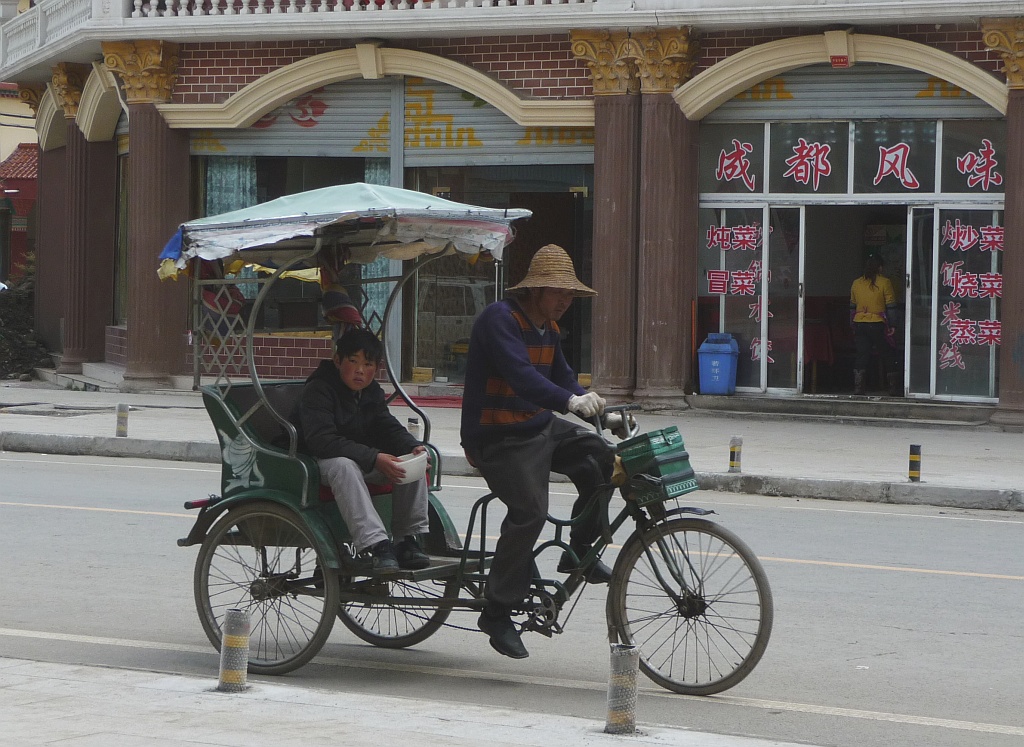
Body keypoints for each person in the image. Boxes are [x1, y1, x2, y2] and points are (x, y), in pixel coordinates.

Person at [460, 243, 632, 660]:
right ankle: (497, 611)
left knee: (604, 461)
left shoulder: (549, 331)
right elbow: (522, 378)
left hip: (537, 426)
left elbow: (564, 379)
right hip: (496, 437)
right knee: (530, 511)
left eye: (570, 295)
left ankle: (580, 554)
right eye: (559, 292)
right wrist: (569, 403)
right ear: (535, 290)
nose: (565, 301)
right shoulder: (500, 320)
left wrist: (595, 407)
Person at [294, 328, 430, 574]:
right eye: (353, 361)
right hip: (317, 462)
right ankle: (376, 544)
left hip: (359, 459)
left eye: (367, 364)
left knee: (411, 462)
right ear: (338, 361)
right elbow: (322, 441)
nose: (359, 370)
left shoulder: (371, 392)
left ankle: (407, 539)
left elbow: (386, 426)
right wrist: (374, 458)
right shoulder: (319, 389)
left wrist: (411, 446)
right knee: (344, 466)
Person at [850, 252, 901, 397]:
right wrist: (893, 325)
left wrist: (852, 324)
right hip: (878, 324)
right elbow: (890, 305)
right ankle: (892, 388)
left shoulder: (856, 283)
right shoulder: (884, 282)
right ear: (880, 268)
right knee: (887, 354)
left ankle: (859, 388)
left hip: (859, 323)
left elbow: (852, 307)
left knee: (861, 355)